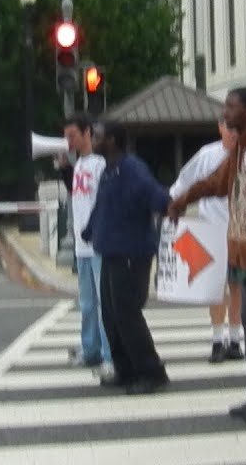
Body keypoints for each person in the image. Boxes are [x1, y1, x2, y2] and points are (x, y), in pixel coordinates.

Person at [169, 87, 246, 423]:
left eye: (231, 106)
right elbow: (217, 182)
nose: (225, 111)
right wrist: (184, 199)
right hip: (243, 252)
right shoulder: (242, 147)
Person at [81, 120, 172, 395]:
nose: (93, 139)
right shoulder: (110, 171)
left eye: (97, 136)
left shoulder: (132, 170)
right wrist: (90, 230)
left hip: (131, 253)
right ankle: (125, 368)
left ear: (112, 140)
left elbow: (158, 198)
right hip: (110, 250)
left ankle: (151, 371)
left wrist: (163, 210)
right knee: (111, 314)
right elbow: (103, 206)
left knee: (127, 314)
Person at [169, 119, 244, 364]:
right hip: (212, 227)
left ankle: (235, 338)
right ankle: (217, 339)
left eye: (237, 129)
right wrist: (171, 202)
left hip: (240, 229)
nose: (233, 133)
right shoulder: (207, 155)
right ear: (220, 127)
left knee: (237, 286)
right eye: (229, 128)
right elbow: (185, 180)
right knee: (215, 288)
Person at [63, 113, 112, 375]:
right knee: (87, 303)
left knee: (104, 302)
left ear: (86, 133)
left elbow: (102, 200)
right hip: (82, 245)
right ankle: (90, 348)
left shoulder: (99, 163)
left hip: (97, 243)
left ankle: (107, 353)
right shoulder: (80, 164)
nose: (68, 141)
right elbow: (75, 193)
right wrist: (63, 169)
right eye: (66, 136)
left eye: (72, 135)